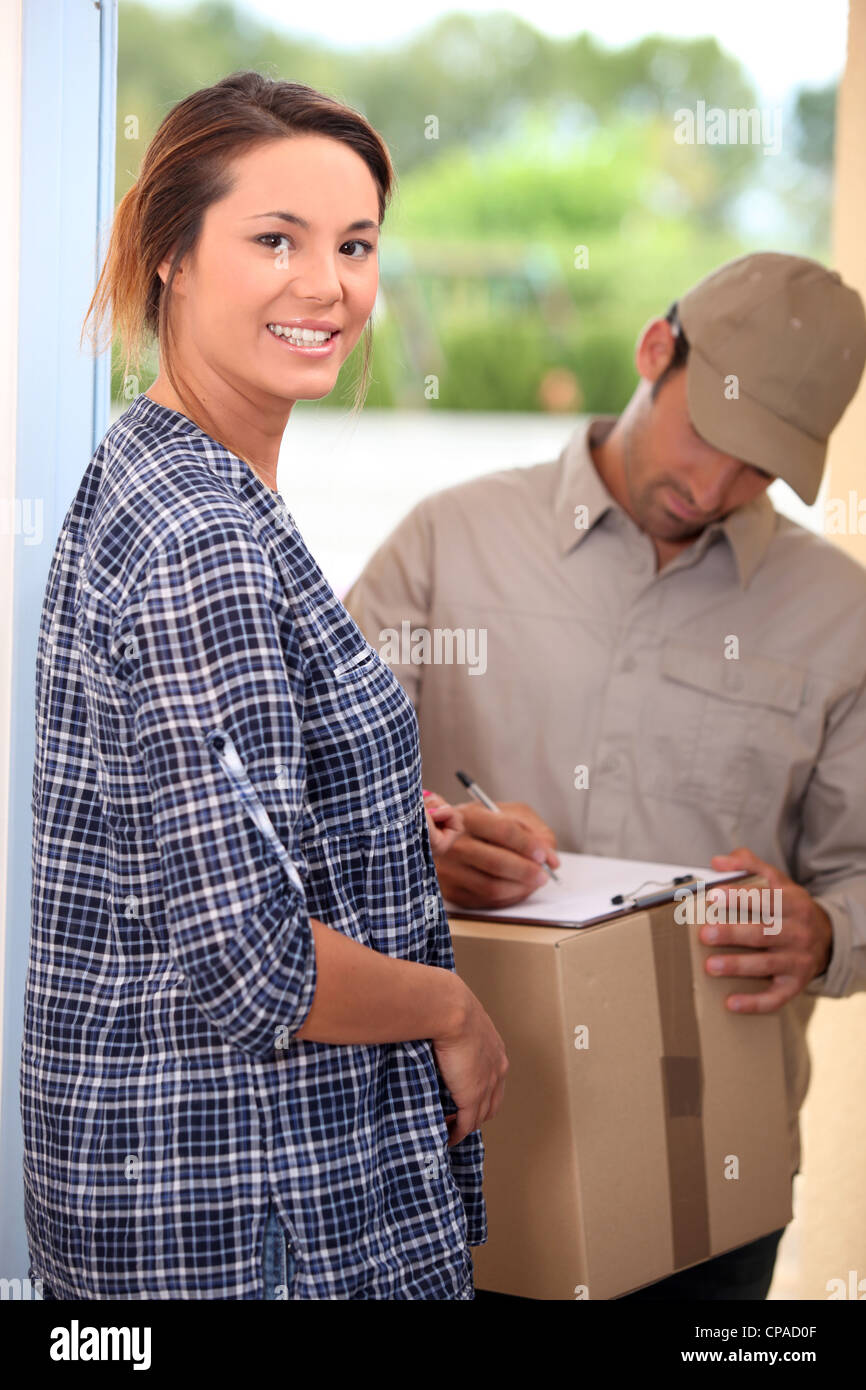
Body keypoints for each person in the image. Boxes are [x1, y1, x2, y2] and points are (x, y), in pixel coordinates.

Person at [21, 70, 507, 1301]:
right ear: (170, 254)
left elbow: (186, 825)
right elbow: (257, 966)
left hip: (184, 1190)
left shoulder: (158, 461)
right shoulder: (204, 535)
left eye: (354, 244)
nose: (326, 286)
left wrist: (382, 831)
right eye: (273, 240)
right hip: (245, 1206)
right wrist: (452, 1007)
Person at [343, 251, 866, 1300]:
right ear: (652, 350)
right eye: (712, 436)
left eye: (758, 468)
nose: (713, 489)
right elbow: (303, 806)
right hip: (450, 1152)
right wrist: (424, 851)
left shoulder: (841, 617)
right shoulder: (448, 541)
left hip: (706, 1189)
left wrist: (825, 932)